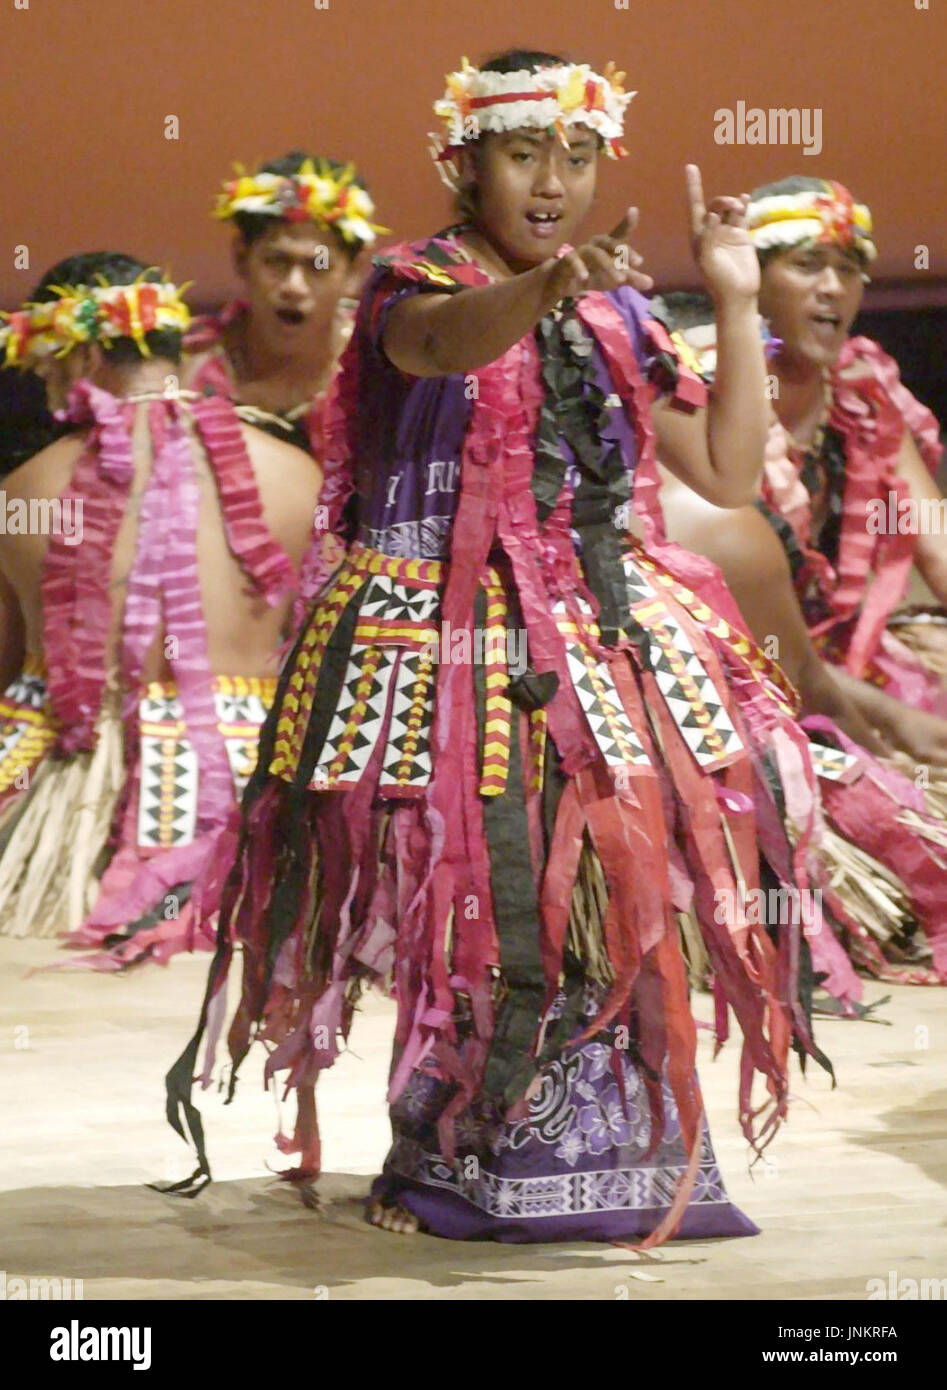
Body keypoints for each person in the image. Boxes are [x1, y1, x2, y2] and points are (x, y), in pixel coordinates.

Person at [168, 51, 831, 1246]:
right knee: (483, 892)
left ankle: (617, 1167)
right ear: (461, 162)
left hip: (600, 627)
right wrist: (546, 290)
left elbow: (727, 473)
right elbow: (441, 347)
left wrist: (728, 296)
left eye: (576, 156)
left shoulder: (621, 308)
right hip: (449, 633)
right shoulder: (405, 286)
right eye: (524, 153)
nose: (552, 181)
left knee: (630, 882)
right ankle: (459, 1160)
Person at [0, 254, 320, 966]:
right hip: (256, 815)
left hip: (56, 825)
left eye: (46, 365)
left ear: (77, 351)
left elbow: (15, 667)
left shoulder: (20, 488)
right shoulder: (300, 473)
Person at [660, 464, 947, 990]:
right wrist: (880, 750)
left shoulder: (865, 394)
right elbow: (792, 679)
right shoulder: (710, 511)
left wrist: (893, 724)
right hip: (721, 772)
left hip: (797, 687)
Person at [734, 180, 947, 743]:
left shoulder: (860, 395)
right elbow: (751, 632)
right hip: (742, 660)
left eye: (849, 269)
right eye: (808, 265)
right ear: (751, 279)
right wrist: (894, 721)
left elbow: (938, 545)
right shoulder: (713, 400)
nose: (832, 287)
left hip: (832, 652)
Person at [182, 152, 385, 455]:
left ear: (354, 271)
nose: (294, 286)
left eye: (317, 266)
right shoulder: (185, 368)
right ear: (241, 257)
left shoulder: (381, 370)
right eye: (276, 261)